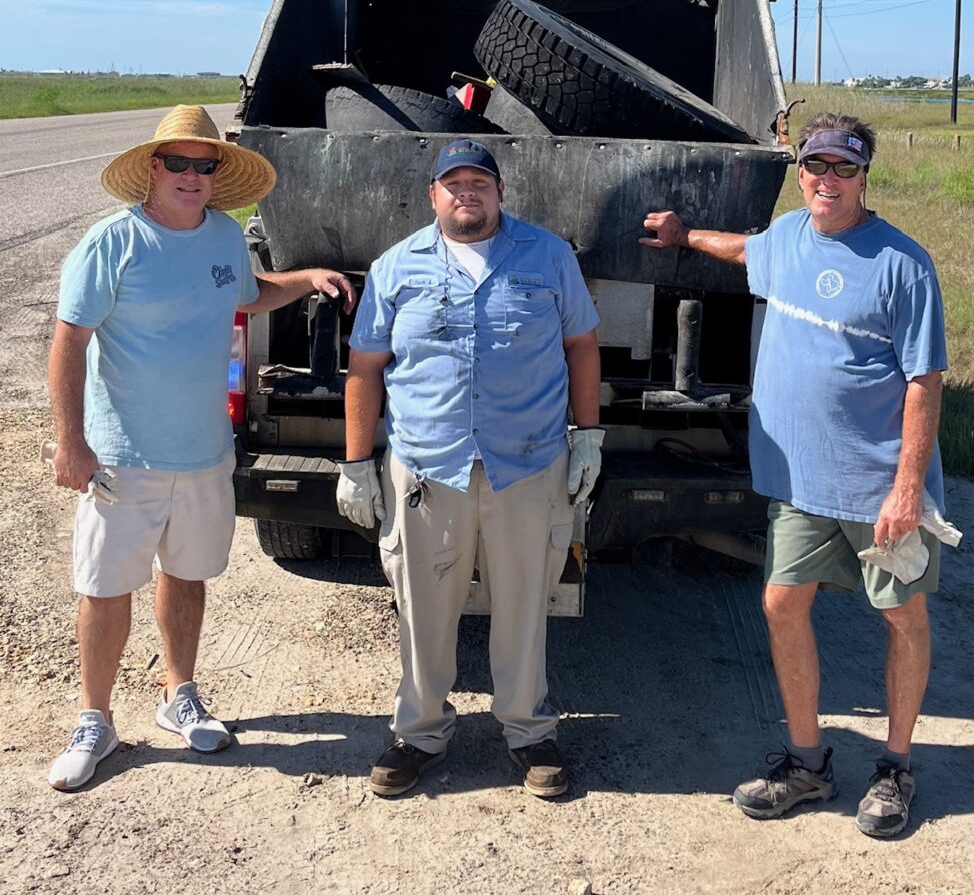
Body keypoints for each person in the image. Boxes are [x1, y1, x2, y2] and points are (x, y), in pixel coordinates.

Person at [640, 113, 947, 839]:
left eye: (843, 168)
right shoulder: (787, 238)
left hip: (879, 489)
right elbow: (744, 251)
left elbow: (925, 382)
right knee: (782, 605)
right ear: (801, 170)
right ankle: (809, 763)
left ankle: (896, 765)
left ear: (865, 174)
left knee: (902, 616)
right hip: (801, 483)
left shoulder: (904, 264)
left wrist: (907, 487)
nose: (827, 180)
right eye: (816, 167)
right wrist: (685, 237)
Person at [47, 105, 355, 791]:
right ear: (152, 169)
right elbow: (68, 342)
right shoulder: (112, 241)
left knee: (186, 578)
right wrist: (72, 441)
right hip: (123, 456)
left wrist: (305, 279)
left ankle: (178, 694)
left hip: (205, 452)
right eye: (178, 162)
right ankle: (94, 719)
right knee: (104, 588)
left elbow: (248, 296)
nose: (191, 175)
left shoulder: (221, 236)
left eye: (204, 164)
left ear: (218, 175)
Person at [338, 138, 602, 798]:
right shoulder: (396, 267)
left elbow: (581, 344)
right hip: (428, 467)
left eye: (479, 183)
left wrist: (591, 435)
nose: (467, 194)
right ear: (433, 196)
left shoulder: (548, 257)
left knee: (523, 604)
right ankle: (419, 733)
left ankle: (529, 731)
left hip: (528, 464)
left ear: (500, 192)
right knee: (423, 608)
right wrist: (355, 464)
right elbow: (366, 369)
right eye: (453, 184)